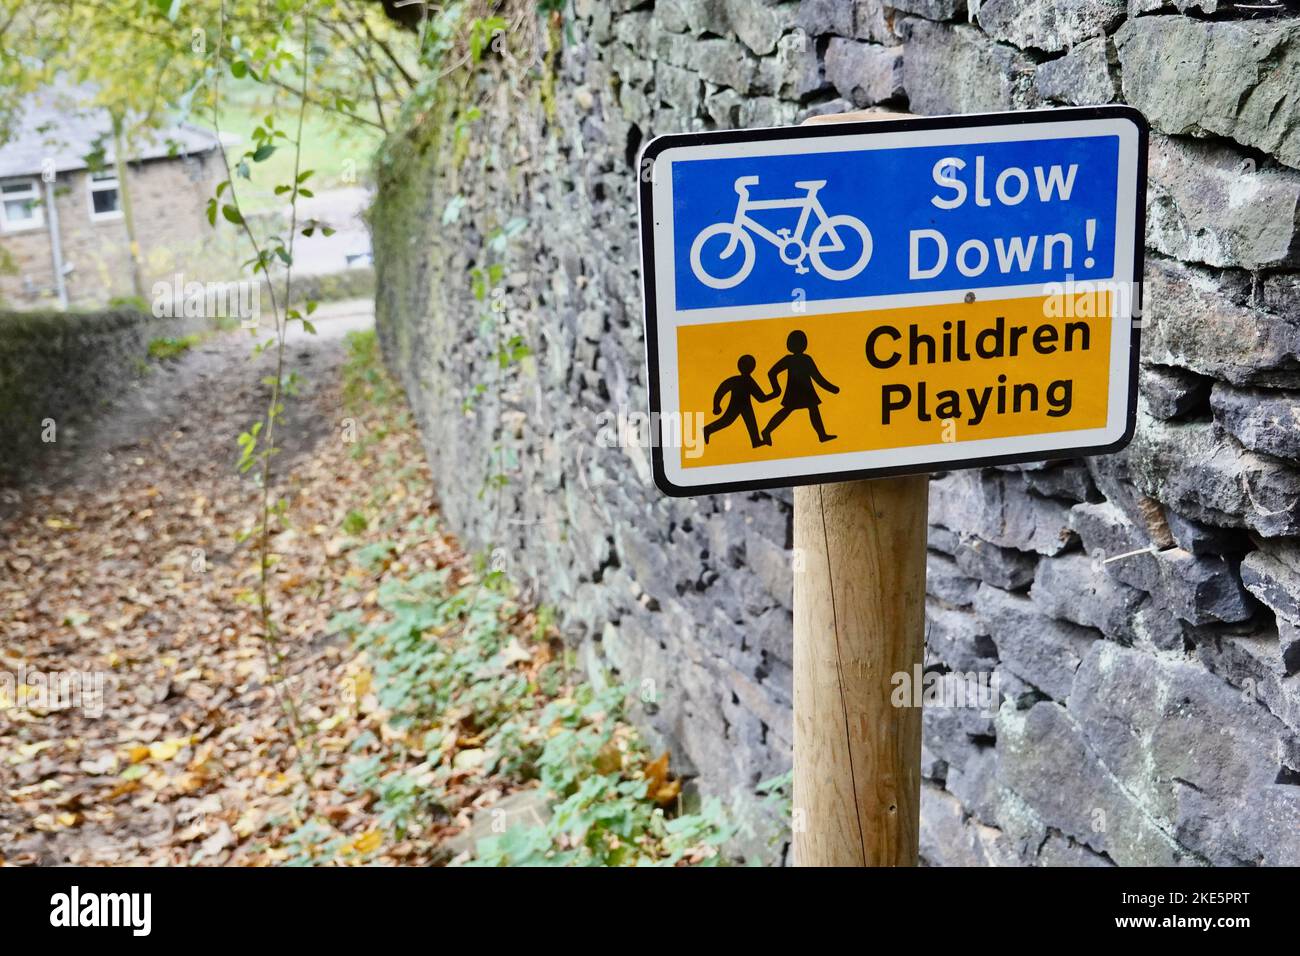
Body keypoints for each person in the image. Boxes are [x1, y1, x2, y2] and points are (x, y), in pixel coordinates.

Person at [761, 330, 839, 444]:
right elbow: (817, 377)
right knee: (802, 409)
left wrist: (776, 388)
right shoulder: (804, 359)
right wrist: (831, 388)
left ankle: (822, 435)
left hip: (802, 390)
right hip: (800, 390)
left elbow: (772, 373)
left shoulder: (792, 359)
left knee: (811, 409)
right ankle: (767, 431)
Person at [703, 354, 776, 448]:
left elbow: (722, 389)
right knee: (728, 421)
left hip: (744, 405)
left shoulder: (739, 380)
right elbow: (761, 398)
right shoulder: (747, 381)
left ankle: (755, 440)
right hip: (738, 405)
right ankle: (707, 429)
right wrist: (774, 394)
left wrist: (716, 405)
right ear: (753, 368)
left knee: (749, 422)